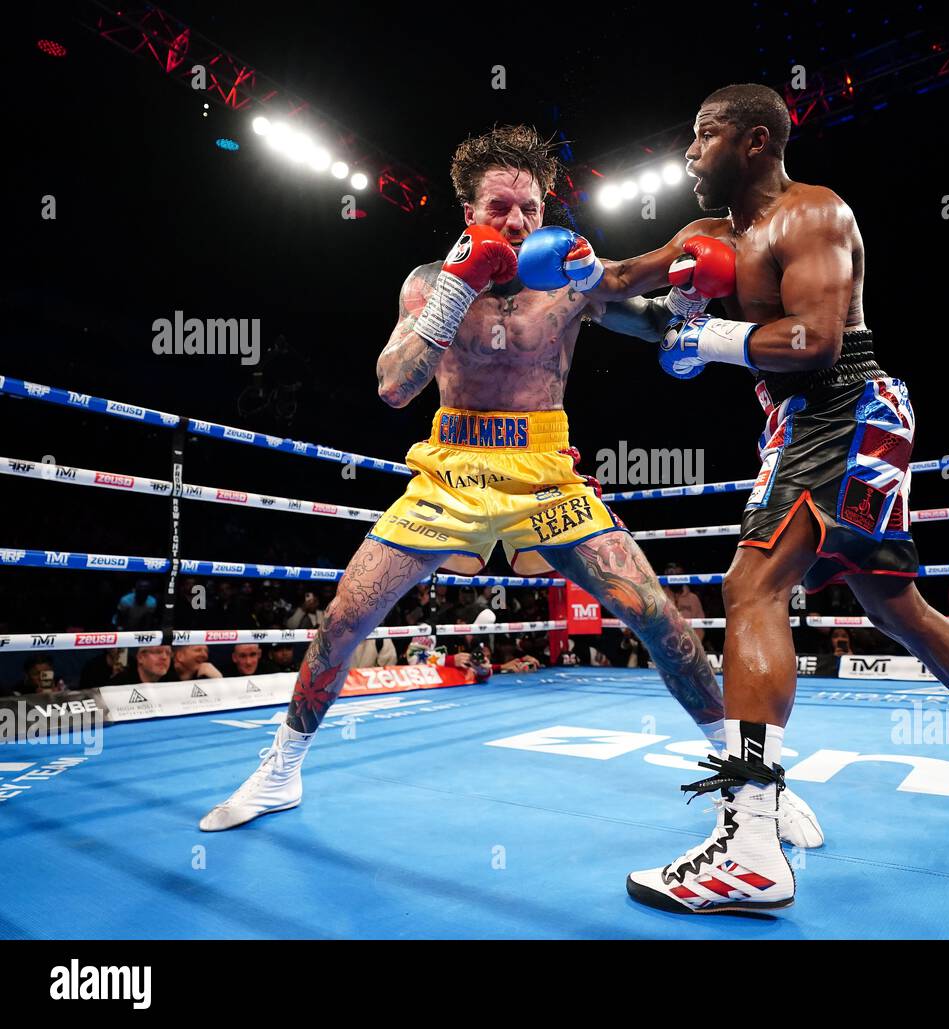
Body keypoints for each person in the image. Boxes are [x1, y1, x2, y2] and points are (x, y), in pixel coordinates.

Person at [521, 84, 949, 912]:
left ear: (755, 141)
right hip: (808, 419)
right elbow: (623, 285)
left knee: (750, 586)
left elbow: (814, 339)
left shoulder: (813, 215)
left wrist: (711, 337)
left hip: (841, 402)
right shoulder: (704, 235)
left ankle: (752, 845)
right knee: (896, 607)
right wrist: (563, 272)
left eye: (703, 137)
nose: (689, 154)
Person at [199, 124, 822, 849]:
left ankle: (751, 786)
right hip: (451, 469)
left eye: (530, 207)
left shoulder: (569, 278)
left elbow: (664, 335)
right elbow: (394, 388)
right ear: (469, 209)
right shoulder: (429, 282)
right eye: (501, 208)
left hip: (547, 474)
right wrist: (455, 292)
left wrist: (688, 297)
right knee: (345, 616)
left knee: (657, 614)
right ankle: (281, 769)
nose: (519, 223)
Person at [111, 646, 176, 685]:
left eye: (168, 653)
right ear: (140, 657)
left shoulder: (174, 684)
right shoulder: (119, 685)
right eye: (158, 652)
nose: (164, 657)